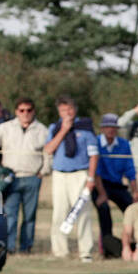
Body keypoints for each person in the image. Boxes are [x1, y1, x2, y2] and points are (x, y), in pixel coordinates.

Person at [0, 97, 50, 255]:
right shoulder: (6, 127)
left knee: (29, 216)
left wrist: (44, 171)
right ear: (16, 112)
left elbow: (48, 153)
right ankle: (9, 247)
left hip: (32, 177)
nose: (25, 113)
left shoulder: (42, 130)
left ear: (33, 111)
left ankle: (26, 247)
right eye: (22, 110)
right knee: (10, 213)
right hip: (11, 178)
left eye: (29, 110)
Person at [42, 95, 100, 260]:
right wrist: (63, 130)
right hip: (60, 175)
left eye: (69, 109)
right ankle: (60, 251)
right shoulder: (54, 128)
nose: (67, 113)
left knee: (82, 212)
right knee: (59, 213)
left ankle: (85, 251)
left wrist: (91, 178)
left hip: (80, 174)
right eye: (63, 110)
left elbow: (94, 155)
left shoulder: (85, 127)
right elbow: (48, 149)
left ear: (75, 110)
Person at [95, 113, 136, 251]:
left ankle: (135, 244)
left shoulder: (124, 144)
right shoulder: (95, 143)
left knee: (132, 209)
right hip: (99, 184)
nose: (111, 130)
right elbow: (96, 172)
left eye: (113, 127)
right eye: (107, 127)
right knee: (104, 209)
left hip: (117, 184)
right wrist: (102, 194)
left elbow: (130, 170)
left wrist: (135, 192)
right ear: (102, 128)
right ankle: (106, 247)